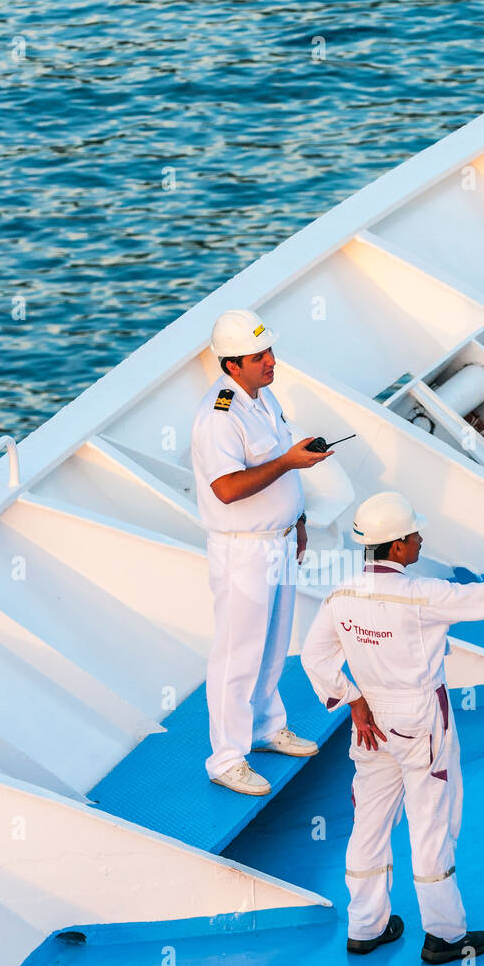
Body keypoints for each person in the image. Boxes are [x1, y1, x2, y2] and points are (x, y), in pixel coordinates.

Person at [300, 490, 484, 964]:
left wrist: (352, 698)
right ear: (398, 546)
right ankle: (443, 935)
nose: (421, 539)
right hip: (420, 719)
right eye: (415, 533)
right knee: (430, 825)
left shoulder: (340, 597)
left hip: (371, 724)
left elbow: (314, 656)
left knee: (369, 823)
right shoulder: (423, 595)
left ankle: (365, 926)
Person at [191, 308, 332, 796]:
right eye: (259, 356)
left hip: (277, 541)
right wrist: (290, 460)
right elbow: (227, 489)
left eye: (270, 350)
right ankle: (226, 758)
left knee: (273, 644)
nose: (271, 360)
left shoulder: (263, 397)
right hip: (242, 552)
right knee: (237, 654)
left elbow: (281, 468)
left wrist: (300, 521)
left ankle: (266, 727)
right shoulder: (219, 417)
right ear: (232, 365)